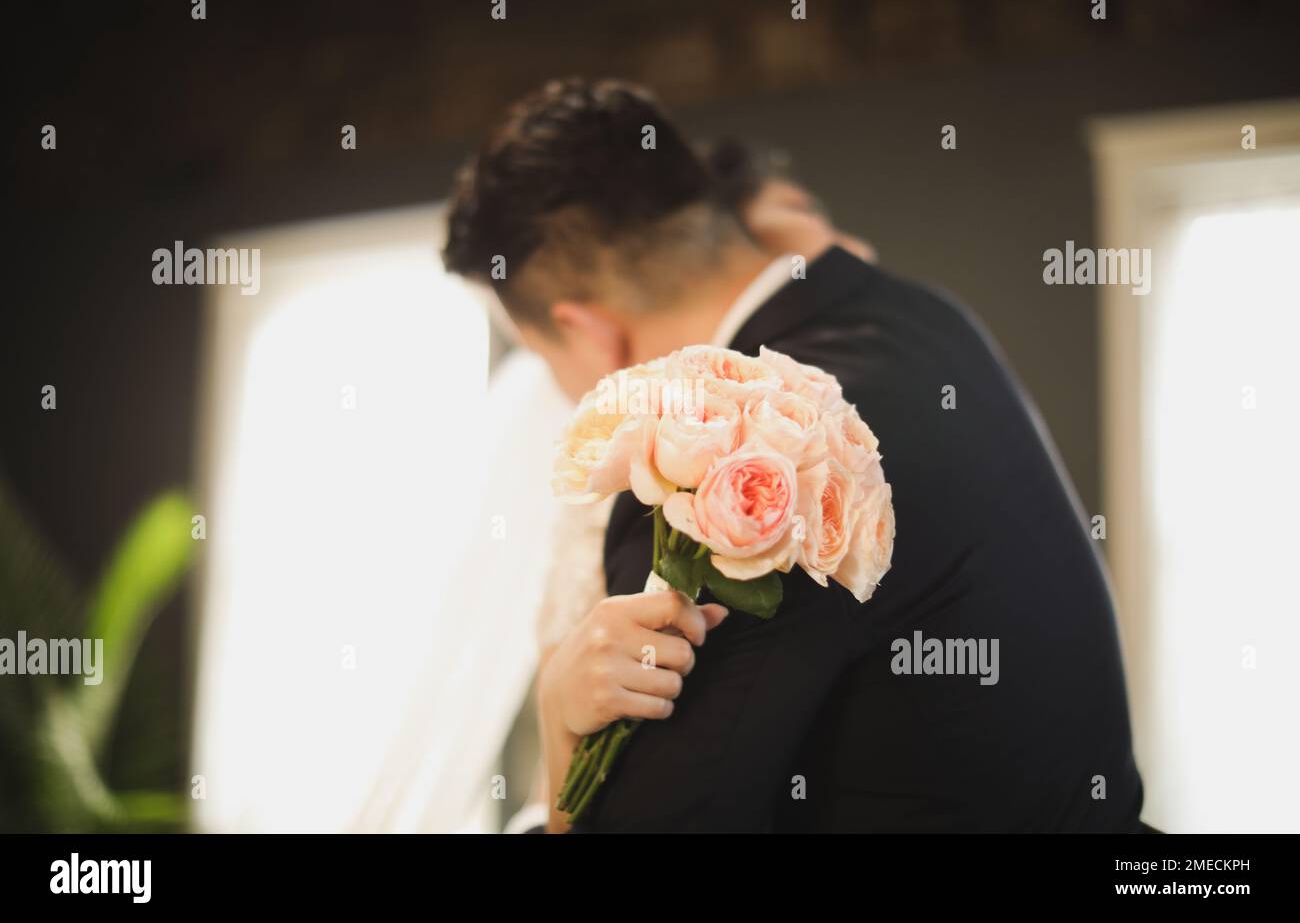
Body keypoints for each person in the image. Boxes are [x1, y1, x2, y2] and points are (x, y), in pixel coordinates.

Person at [443, 77, 1145, 832]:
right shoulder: (924, 317)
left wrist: (558, 714)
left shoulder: (709, 472)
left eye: (543, 356)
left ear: (587, 330)